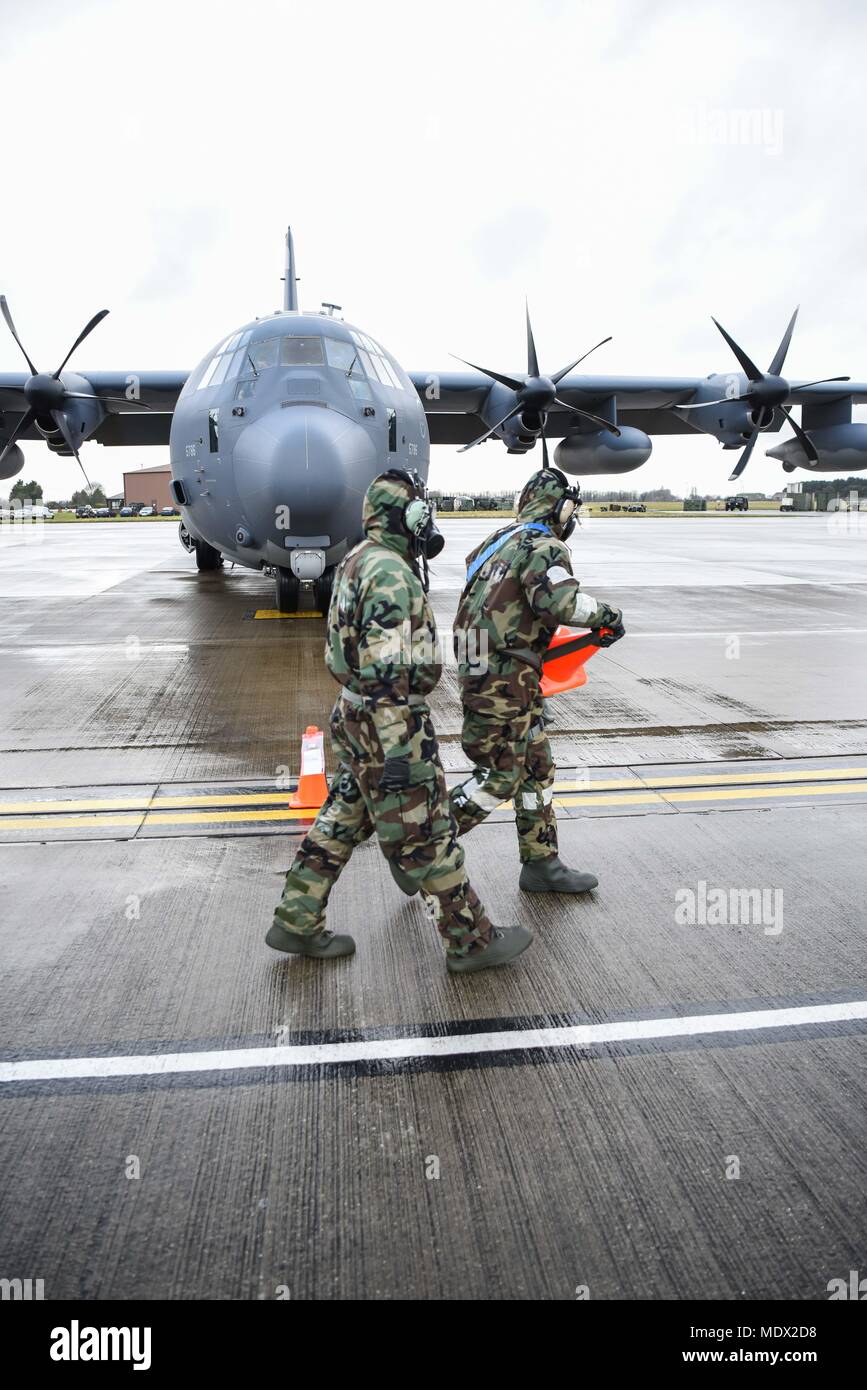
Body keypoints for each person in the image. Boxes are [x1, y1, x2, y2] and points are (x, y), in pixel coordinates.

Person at [267, 469, 533, 975]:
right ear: (406, 515)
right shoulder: (390, 571)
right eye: (421, 510)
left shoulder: (356, 560)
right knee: (425, 832)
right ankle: (470, 941)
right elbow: (388, 669)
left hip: (354, 713)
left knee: (342, 818)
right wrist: (398, 754)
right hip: (388, 721)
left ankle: (296, 919)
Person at [450, 466, 624, 891]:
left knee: (537, 769)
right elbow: (558, 603)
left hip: (496, 670)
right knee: (500, 774)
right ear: (561, 509)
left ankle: (541, 862)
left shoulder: (496, 542)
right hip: (503, 677)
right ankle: (422, 849)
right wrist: (609, 616)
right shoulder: (543, 546)